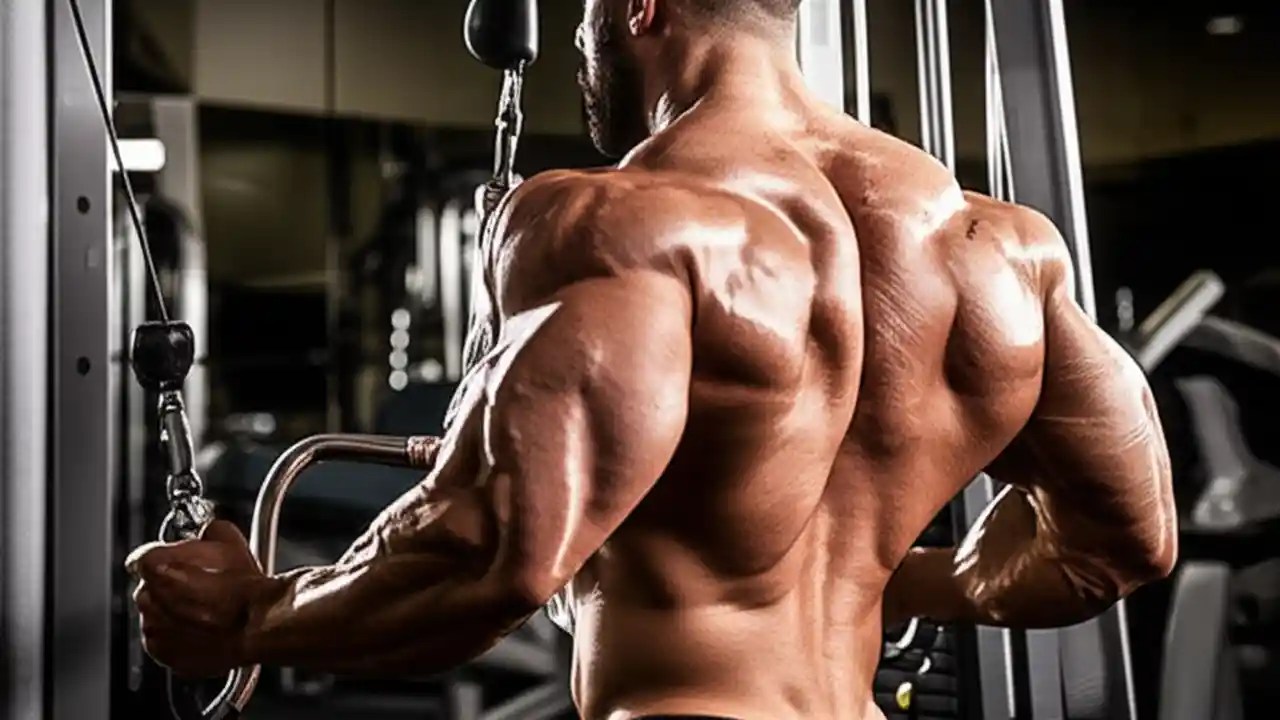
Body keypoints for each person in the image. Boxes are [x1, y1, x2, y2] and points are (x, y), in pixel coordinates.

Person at [129, 1, 1178, 718]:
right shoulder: (997, 251)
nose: (583, 50)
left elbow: (486, 558)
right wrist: (895, 581)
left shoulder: (613, 221)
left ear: (638, 7)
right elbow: (1120, 544)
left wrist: (243, 618)